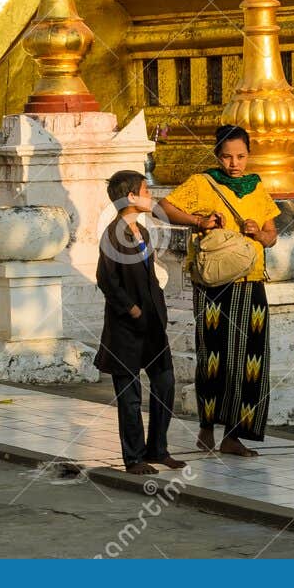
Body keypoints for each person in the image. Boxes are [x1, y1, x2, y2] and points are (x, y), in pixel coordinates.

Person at [161, 124, 279, 458]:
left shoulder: (257, 188)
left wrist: (259, 234)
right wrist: (198, 222)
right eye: (227, 156)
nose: (234, 163)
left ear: (249, 155)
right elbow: (163, 207)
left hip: (250, 282)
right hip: (213, 284)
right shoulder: (202, 183)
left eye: (240, 156)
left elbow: (273, 234)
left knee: (250, 360)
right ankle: (206, 427)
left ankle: (234, 434)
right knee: (213, 358)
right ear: (217, 156)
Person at [95, 169, 185, 476]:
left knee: (165, 383)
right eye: (146, 191)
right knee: (130, 396)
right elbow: (105, 279)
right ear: (131, 197)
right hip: (126, 326)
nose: (150, 197)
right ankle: (133, 458)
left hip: (152, 322)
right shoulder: (112, 235)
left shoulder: (143, 233)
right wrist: (130, 309)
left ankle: (157, 448)